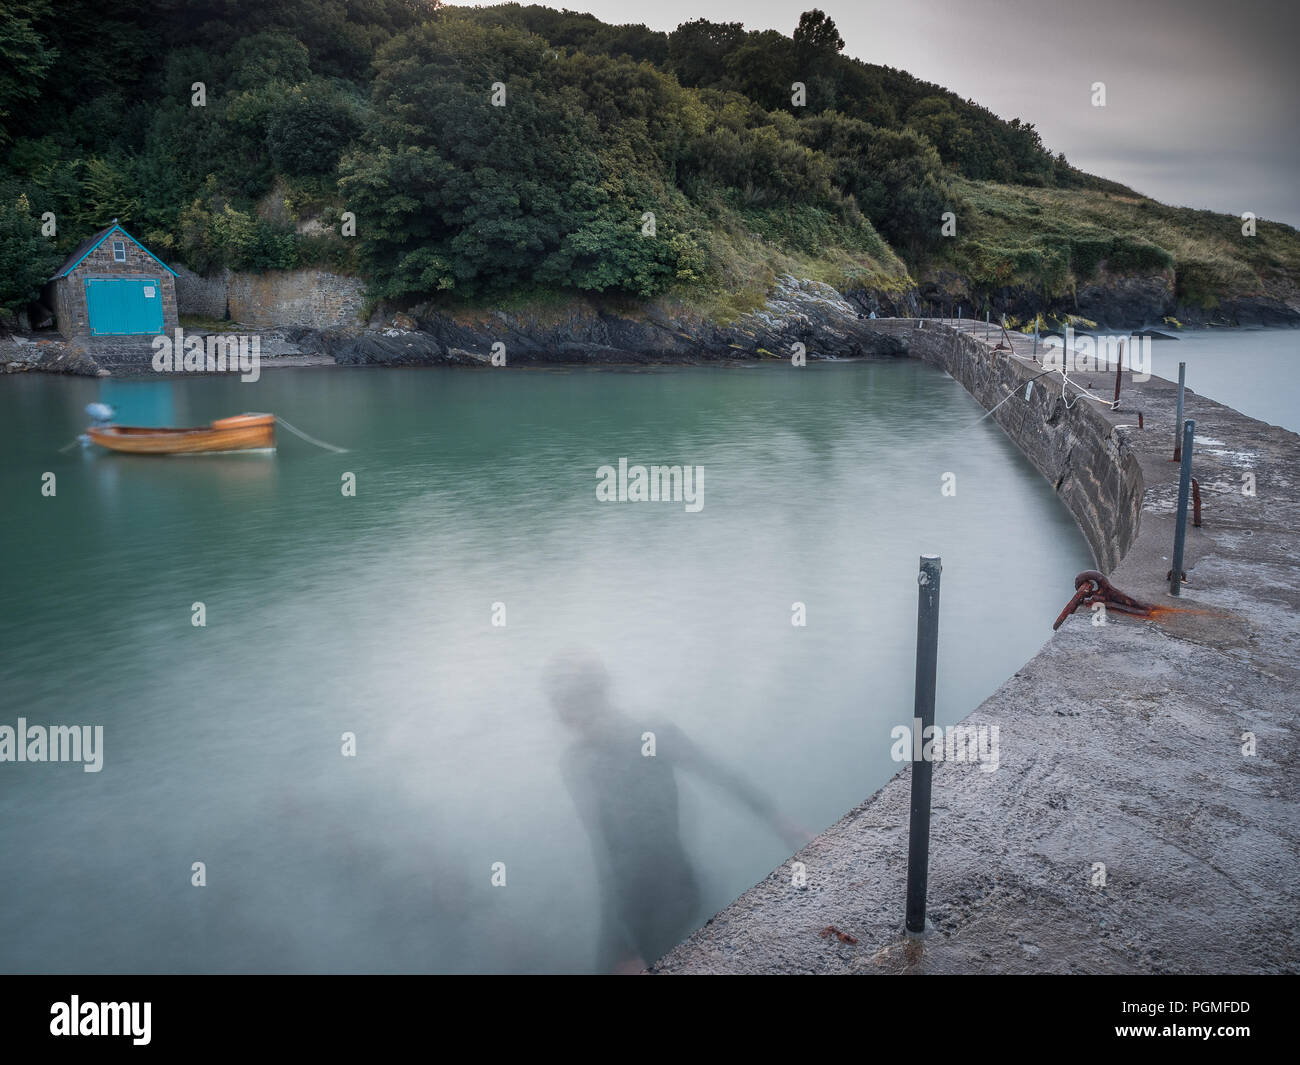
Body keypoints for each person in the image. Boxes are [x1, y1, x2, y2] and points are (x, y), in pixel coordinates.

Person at [545, 653, 809, 973]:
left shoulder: (590, 760)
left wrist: (623, 946)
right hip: (675, 891)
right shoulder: (597, 755)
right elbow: (717, 774)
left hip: (658, 904)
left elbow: (614, 855)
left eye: (562, 704)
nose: (560, 716)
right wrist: (778, 821)